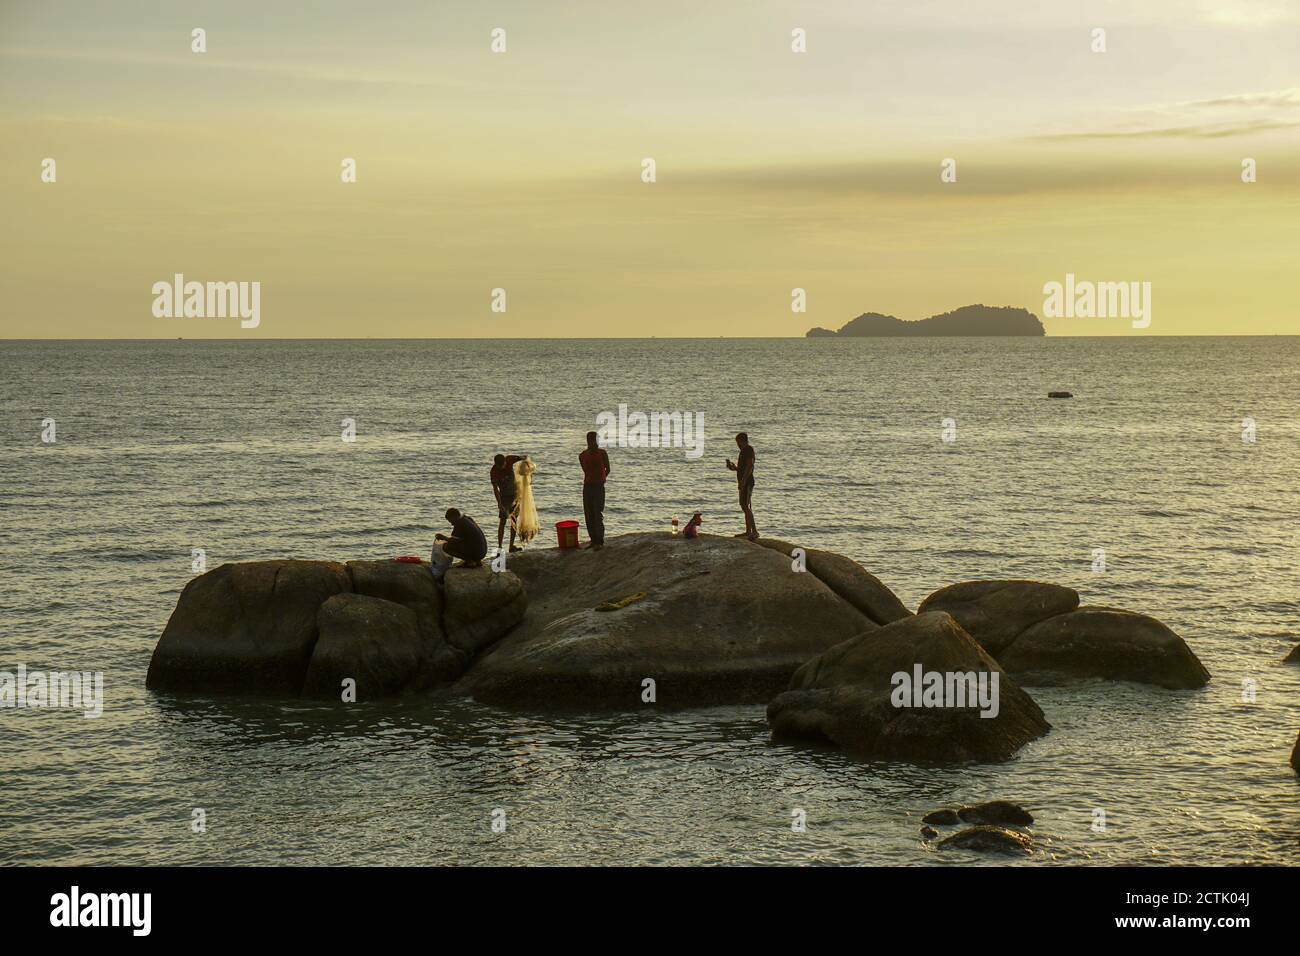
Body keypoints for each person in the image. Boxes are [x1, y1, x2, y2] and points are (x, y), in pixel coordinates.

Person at [579, 431, 611, 549]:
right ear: (588, 441)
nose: (594, 442)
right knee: (589, 513)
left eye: (595, 439)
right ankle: (593, 540)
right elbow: (585, 469)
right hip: (588, 486)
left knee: (597, 513)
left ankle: (599, 540)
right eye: (591, 440)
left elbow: (608, 468)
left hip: (598, 486)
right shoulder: (582, 455)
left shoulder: (602, 453)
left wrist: (601, 478)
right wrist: (593, 477)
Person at [725, 432, 758, 541]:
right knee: (744, 506)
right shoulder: (743, 451)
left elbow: (750, 465)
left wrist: (743, 481)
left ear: (742, 441)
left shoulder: (748, 450)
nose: (737, 445)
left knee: (745, 506)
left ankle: (754, 532)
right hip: (744, 482)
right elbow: (743, 468)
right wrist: (734, 468)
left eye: (738, 442)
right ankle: (748, 531)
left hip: (747, 482)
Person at [491, 454, 523, 553]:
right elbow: (495, 489)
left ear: (505, 461)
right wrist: (499, 503)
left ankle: (511, 546)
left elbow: (523, 458)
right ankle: (500, 547)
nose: (503, 467)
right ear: (496, 464)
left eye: (503, 465)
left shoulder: (510, 459)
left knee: (514, 521)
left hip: (515, 495)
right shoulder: (494, 472)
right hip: (504, 497)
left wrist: (526, 464)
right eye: (500, 466)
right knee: (502, 522)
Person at [511, 456, 540, 544]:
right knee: (516, 518)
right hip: (517, 499)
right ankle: (519, 539)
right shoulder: (526, 483)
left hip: (514, 499)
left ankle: (512, 543)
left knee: (514, 519)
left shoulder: (516, 478)